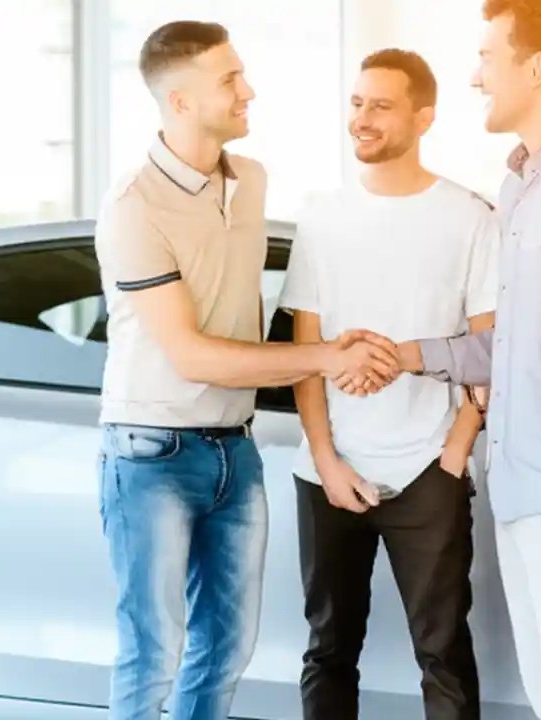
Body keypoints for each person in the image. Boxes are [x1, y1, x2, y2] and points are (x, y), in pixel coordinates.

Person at [338, 2, 541, 717]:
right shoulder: (521, 186)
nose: (476, 76)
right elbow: (515, 344)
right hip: (520, 491)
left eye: (488, 57)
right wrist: (409, 355)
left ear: (538, 67)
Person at [93, 21, 397, 720]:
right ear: (180, 101)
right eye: (230, 80)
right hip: (150, 451)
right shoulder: (133, 206)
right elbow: (195, 355)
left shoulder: (250, 181)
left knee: (226, 646)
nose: (248, 91)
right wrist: (327, 356)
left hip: (235, 448)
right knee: (152, 651)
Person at [278, 49, 500, 720]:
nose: (362, 118)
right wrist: (324, 457)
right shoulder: (320, 215)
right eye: (356, 103)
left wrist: (454, 454)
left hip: (429, 468)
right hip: (329, 473)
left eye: (380, 105)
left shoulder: (470, 216)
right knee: (328, 652)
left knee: (444, 655)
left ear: (422, 116)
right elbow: (305, 348)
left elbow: (488, 345)